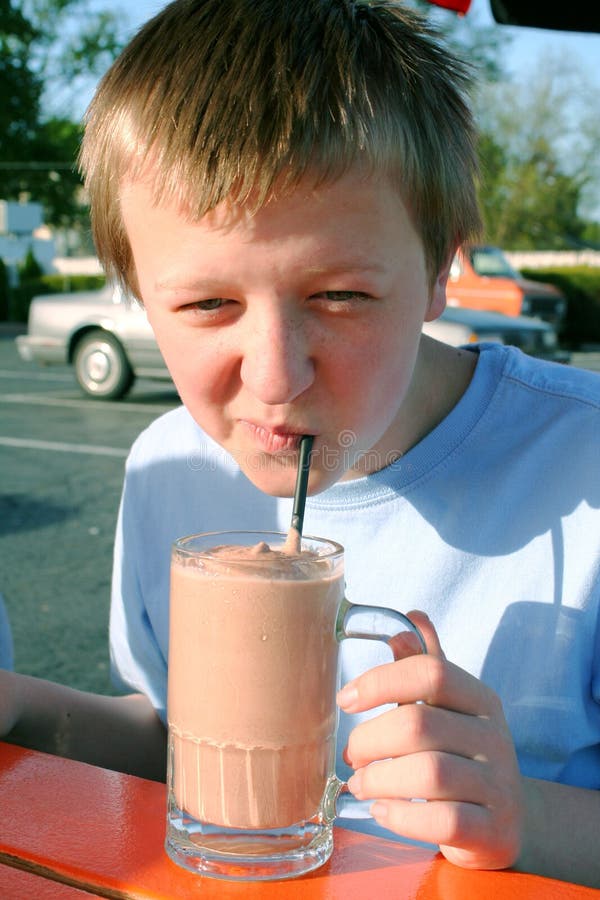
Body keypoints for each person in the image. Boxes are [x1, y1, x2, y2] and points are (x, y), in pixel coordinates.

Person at [1, 0, 599, 886]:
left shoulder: (580, 463)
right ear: (135, 292)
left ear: (440, 269)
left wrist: (527, 813)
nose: (276, 378)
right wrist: (18, 705)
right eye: (208, 304)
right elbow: (180, 742)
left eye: (342, 296)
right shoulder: (170, 465)